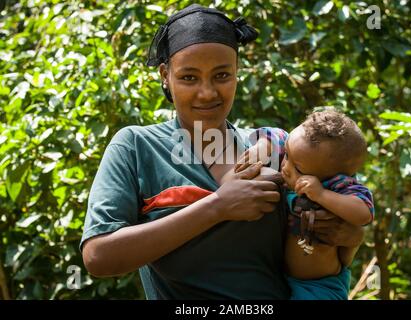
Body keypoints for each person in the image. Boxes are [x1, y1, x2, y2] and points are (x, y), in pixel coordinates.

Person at [80, 4, 364, 299]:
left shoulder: (276, 150)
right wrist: (218, 206)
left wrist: (348, 236)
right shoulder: (137, 147)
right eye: (189, 77)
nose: (207, 93)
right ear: (165, 75)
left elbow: (332, 240)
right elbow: (98, 257)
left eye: (222, 76)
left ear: (237, 72)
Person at [235, 110, 374, 299]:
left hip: (319, 285)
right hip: (279, 278)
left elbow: (363, 213)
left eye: (297, 168)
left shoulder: (338, 186)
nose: (285, 166)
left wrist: (322, 194)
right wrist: (262, 148)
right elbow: (277, 134)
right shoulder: (300, 156)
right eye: (287, 155)